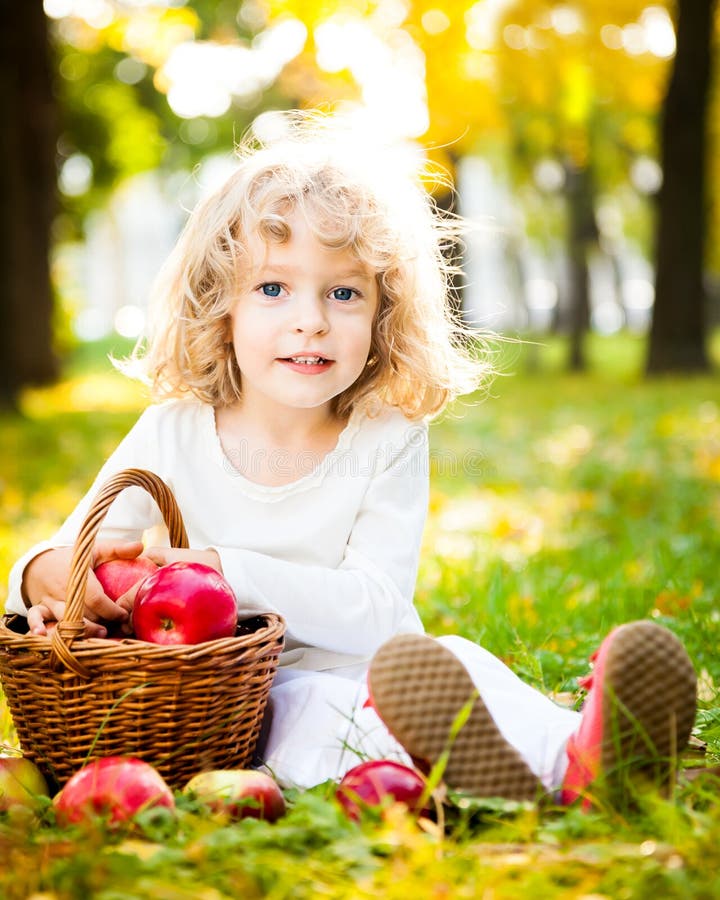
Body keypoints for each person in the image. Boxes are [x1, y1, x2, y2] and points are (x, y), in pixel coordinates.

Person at [5, 111, 697, 806]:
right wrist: (49, 580)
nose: (311, 319)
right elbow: (59, 560)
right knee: (310, 712)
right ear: (221, 308)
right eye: (273, 288)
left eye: (343, 293)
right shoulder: (173, 433)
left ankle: (583, 751)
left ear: (382, 316)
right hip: (251, 694)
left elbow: (374, 608)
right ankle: (516, 774)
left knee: (459, 662)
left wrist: (223, 572)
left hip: (389, 662)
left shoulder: (384, 434)